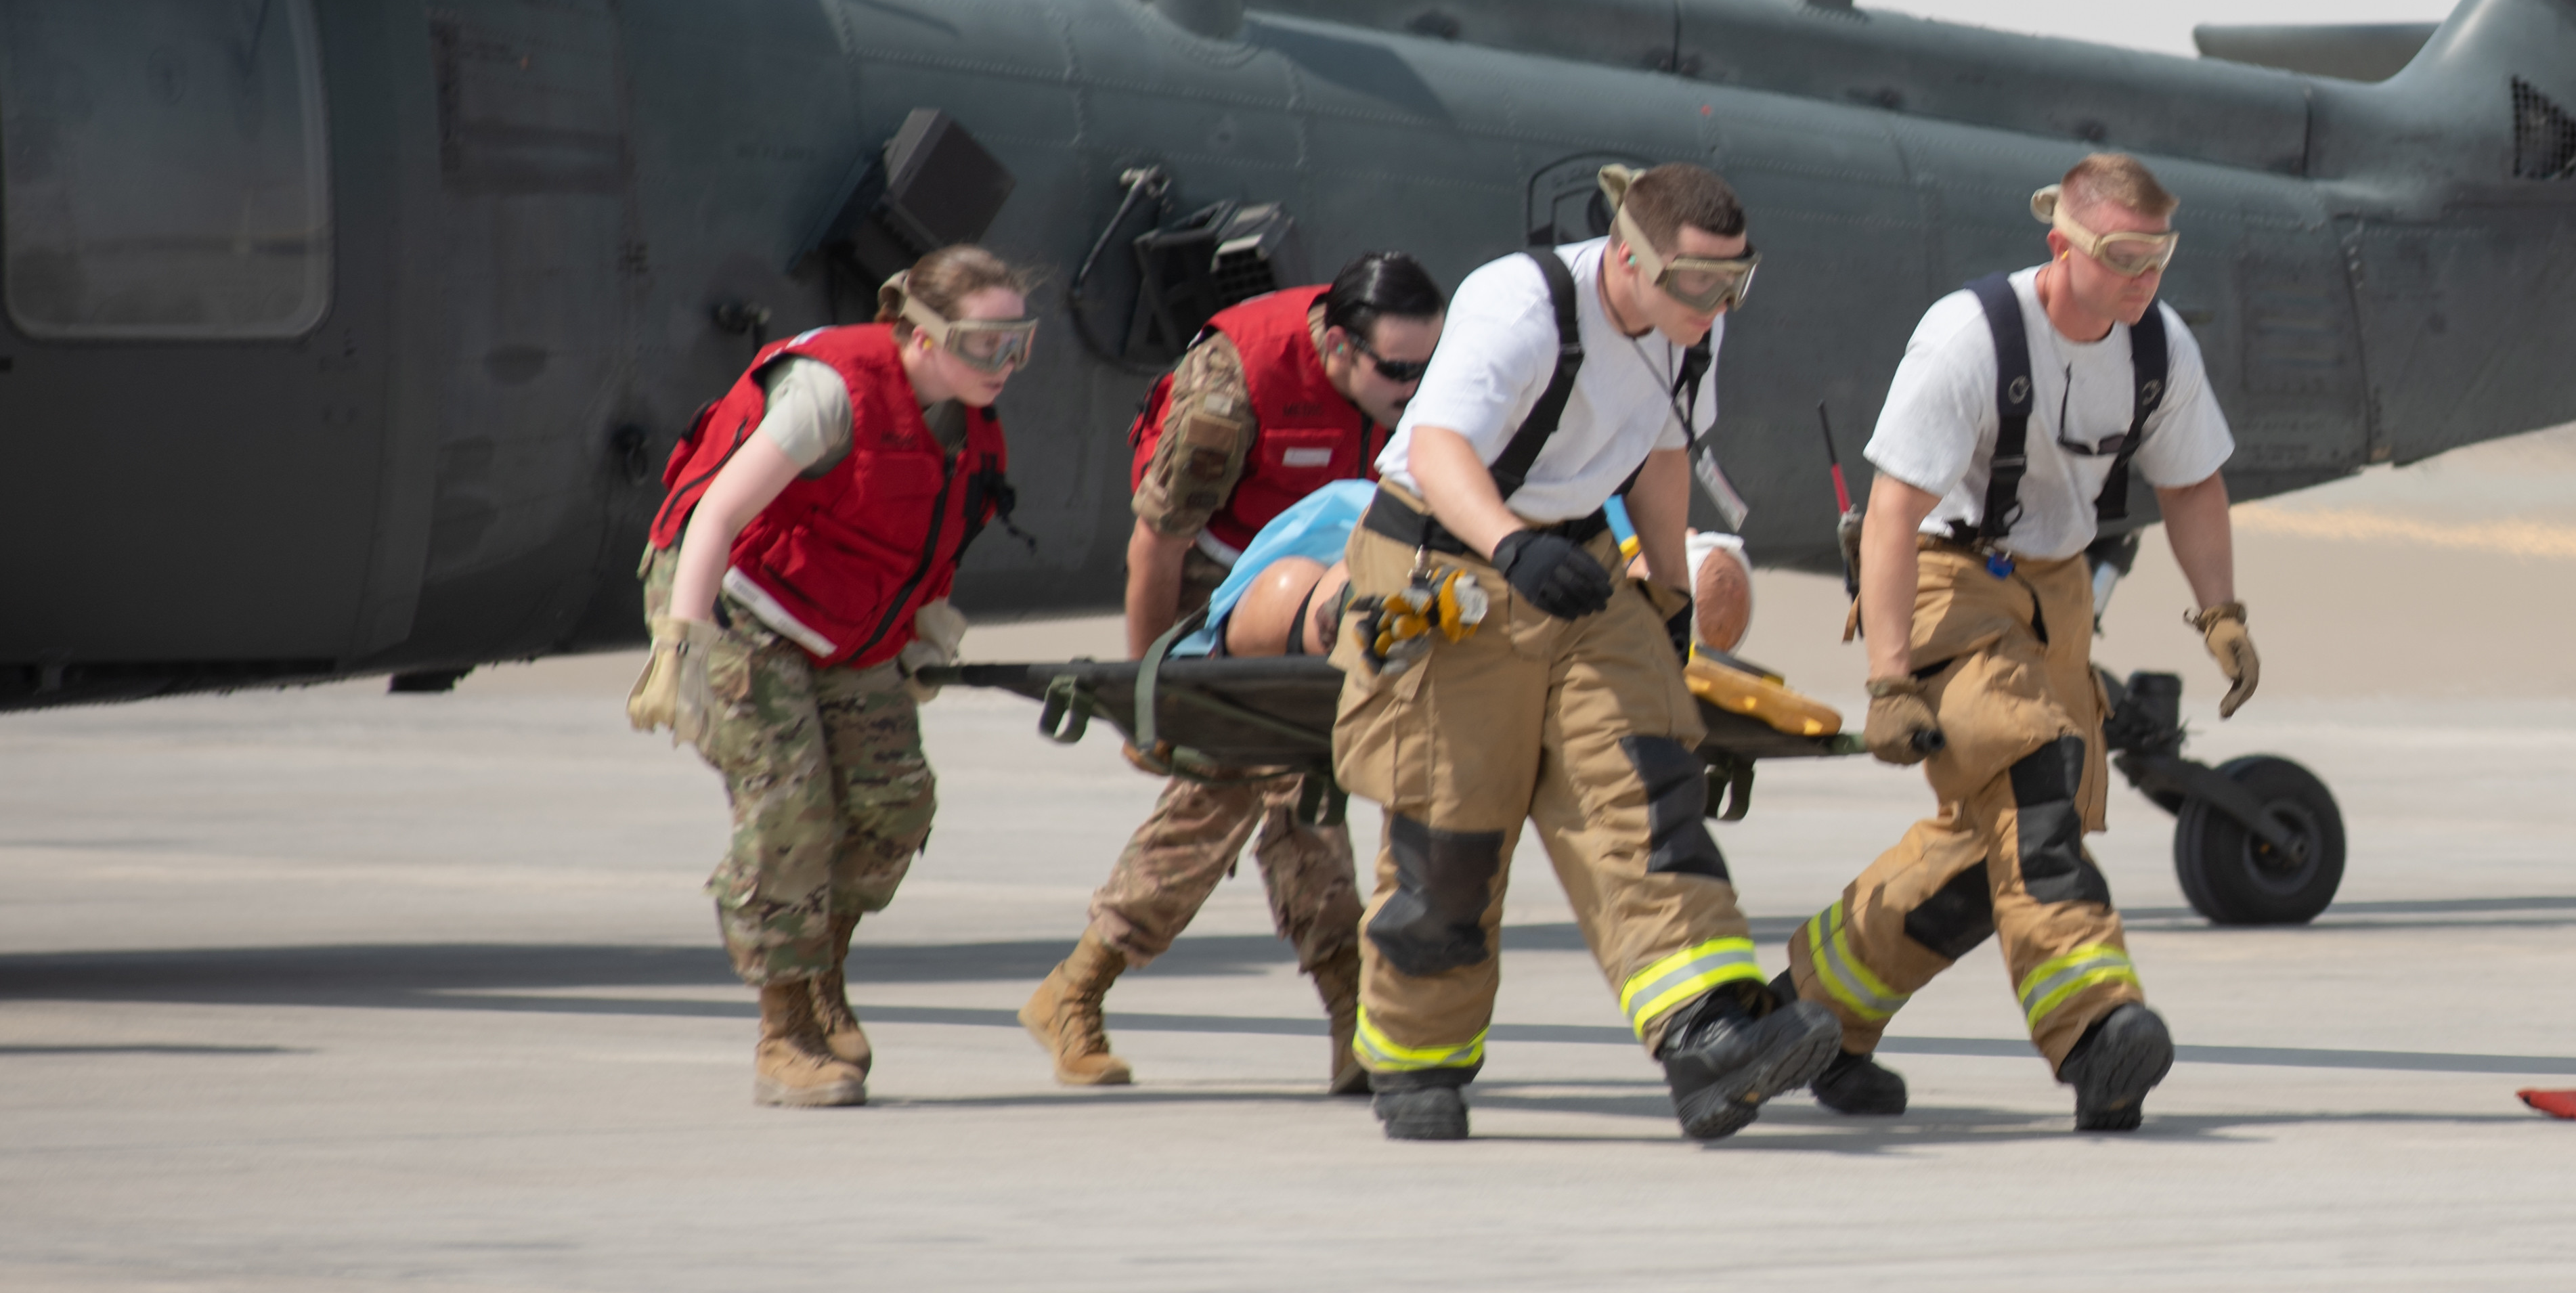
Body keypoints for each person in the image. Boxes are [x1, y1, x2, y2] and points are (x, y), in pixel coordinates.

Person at [1328, 161, 1840, 1142]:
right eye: (1697, 281)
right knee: (1451, 835)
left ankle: (1706, 1034)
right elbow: (1437, 450)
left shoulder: (1694, 322)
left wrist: (1672, 596)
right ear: (1628, 256)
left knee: (1645, 790)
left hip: (1581, 564)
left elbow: (1660, 449)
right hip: (1447, 564)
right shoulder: (1519, 306)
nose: (1716, 303)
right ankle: (1414, 1058)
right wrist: (1510, 547)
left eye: (1733, 282)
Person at [1788, 152, 2256, 1131]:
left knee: (1991, 847)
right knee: (2038, 790)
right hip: (1941, 574)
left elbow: (2191, 484)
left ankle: (1809, 1019)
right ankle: (2097, 1034)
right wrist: (1888, 678)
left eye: (2158, 257)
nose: (2143, 277)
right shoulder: (1969, 337)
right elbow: (1890, 515)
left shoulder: (2157, 346)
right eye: (2122, 256)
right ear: (2062, 245)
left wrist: (2220, 611)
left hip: (2055, 589)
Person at [1018, 255, 1444, 1097]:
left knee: (1286, 792)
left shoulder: (1414, 381)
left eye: (1429, 367)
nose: (1417, 388)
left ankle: (1080, 990)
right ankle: (1344, 1017)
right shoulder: (1232, 388)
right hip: (1220, 589)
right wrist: (1153, 692)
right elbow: (1157, 547)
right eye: (1398, 371)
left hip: (1341, 590)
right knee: (1250, 786)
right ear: (1337, 346)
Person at [622, 245, 1032, 1109]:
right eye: (984, 341)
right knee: (790, 808)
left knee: (896, 804)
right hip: (731, 599)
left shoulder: (964, 418)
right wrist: (679, 647)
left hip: (842, 623)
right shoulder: (830, 391)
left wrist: (922, 627)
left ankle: (821, 974)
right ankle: (785, 1035)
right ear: (921, 334)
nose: (1003, 362)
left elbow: (921, 533)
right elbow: (715, 515)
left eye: (1017, 342)